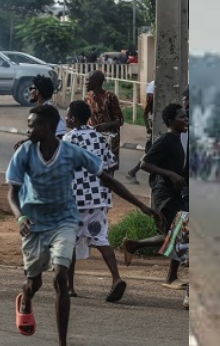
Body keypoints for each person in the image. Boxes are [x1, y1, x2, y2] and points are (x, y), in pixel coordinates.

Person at [6, 104, 163, 344]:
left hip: (65, 220)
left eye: (31, 125)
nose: (27, 129)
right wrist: (19, 217)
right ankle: (26, 298)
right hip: (34, 223)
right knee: (34, 281)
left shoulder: (71, 151)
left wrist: (141, 205)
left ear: (46, 127)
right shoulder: (24, 153)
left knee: (60, 276)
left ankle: (62, 342)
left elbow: (108, 179)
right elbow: (12, 193)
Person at [63, 100, 155, 302]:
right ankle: (116, 278)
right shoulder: (98, 137)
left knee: (70, 241)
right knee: (100, 238)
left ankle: (69, 287)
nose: (65, 119)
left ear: (73, 118)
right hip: (99, 198)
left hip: (76, 200)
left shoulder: (68, 140)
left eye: (68, 115)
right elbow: (111, 165)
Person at [123, 104, 189, 290]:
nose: (186, 119)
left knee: (178, 233)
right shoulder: (166, 140)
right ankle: (169, 276)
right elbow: (145, 164)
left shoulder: (178, 139)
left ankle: (135, 246)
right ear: (170, 121)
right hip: (164, 193)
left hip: (174, 193)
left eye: (186, 116)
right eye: (182, 117)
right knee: (177, 234)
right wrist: (170, 174)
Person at [85, 70, 124, 177]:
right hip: (93, 138)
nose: (86, 82)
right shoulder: (88, 97)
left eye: (89, 80)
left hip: (109, 139)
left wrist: (103, 126)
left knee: (108, 170)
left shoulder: (110, 97)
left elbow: (119, 120)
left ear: (97, 82)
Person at [124, 80, 154, 184]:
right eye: (149, 96)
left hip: (154, 131)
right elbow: (146, 115)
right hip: (155, 132)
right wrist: (148, 128)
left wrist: (148, 128)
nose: (148, 98)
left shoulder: (152, 108)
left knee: (150, 153)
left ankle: (133, 171)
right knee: (150, 154)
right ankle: (133, 171)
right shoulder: (153, 107)